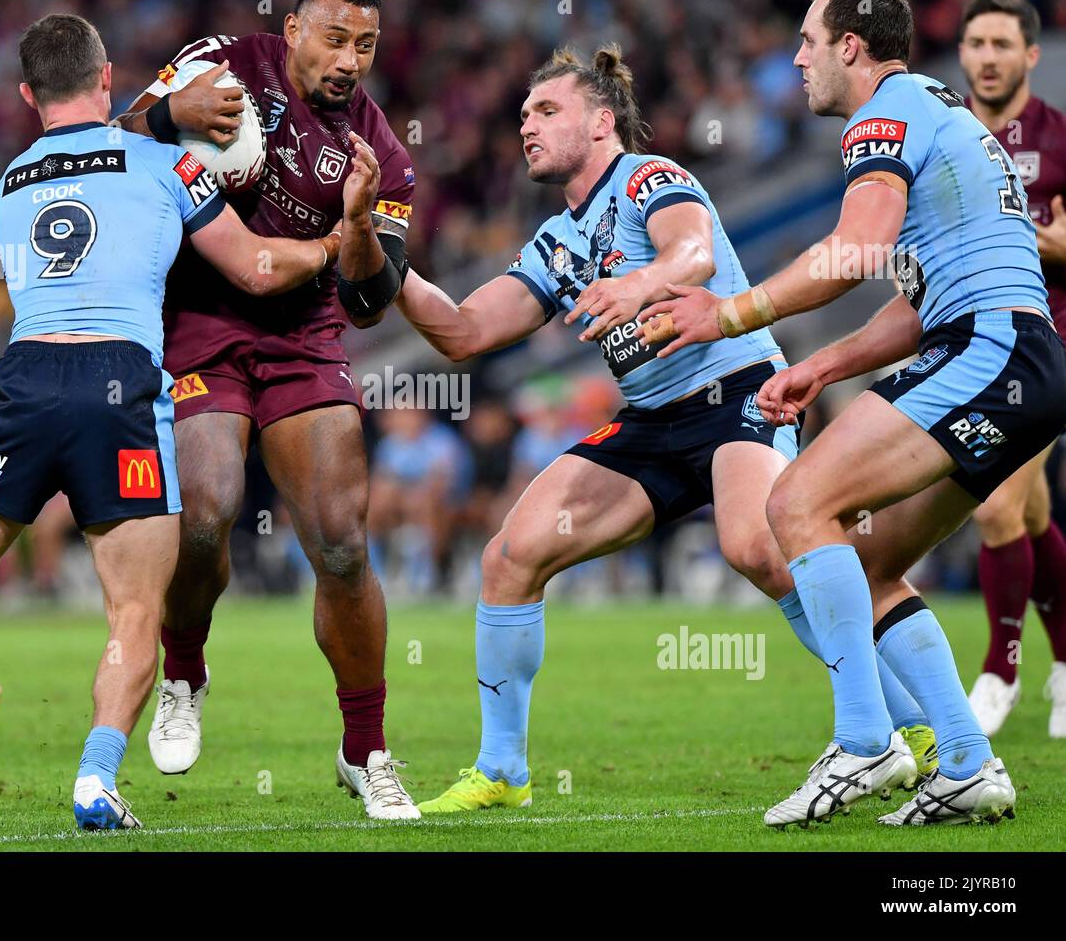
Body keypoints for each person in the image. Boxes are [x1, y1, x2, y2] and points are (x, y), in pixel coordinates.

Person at [0, 13, 342, 832]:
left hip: (22, 383)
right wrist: (335, 242)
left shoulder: (12, 178)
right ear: (108, 76)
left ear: (26, 94)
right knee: (132, 610)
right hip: (119, 385)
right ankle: (95, 781)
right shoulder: (168, 164)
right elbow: (256, 268)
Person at [391, 44, 933, 815]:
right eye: (522, 115)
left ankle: (904, 729)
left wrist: (640, 281)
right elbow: (465, 331)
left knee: (756, 545)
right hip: (652, 421)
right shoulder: (555, 241)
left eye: (547, 111)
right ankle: (502, 769)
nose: (527, 126)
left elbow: (696, 252)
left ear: (603, 121)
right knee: (510, 556)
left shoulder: (651, 177)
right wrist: (393, 271)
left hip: (738, 390)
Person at [640, 0, 1064, 826]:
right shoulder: (939, 113)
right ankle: (968, 761)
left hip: (990, 347)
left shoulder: (885, 113)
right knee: (865, 562)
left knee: (796, 502)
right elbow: (915, 298)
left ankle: (866, 741)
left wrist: (732, 311)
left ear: (849, 46)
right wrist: (824, 365)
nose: (795, 59)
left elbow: (854, 248)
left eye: (806, 41)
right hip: (1009, 351)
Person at [113, 0, 419, 818]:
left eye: (366, 45)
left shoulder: (380, 153)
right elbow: (113, 142)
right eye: (334, 37)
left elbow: (367, 302)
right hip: (200, 324)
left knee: (342, 544)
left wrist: (356, 220)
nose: (351, 59)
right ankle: (184, 668)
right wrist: (170, 115)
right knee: (205, 516)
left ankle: (366, 748)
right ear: (291, 30)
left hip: (304, 338)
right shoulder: (220, 62)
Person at [955, 0, 1066, 738]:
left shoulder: (1058, 139)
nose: (988, 57)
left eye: (1002, 44)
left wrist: (990, 233)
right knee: (1029, 511)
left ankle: (1001, 669)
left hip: (1050, 337)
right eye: (976, 43)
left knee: (995, 505)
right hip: (965, 338)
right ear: (960, 53)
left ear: (1030, 53)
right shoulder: (944, 131)